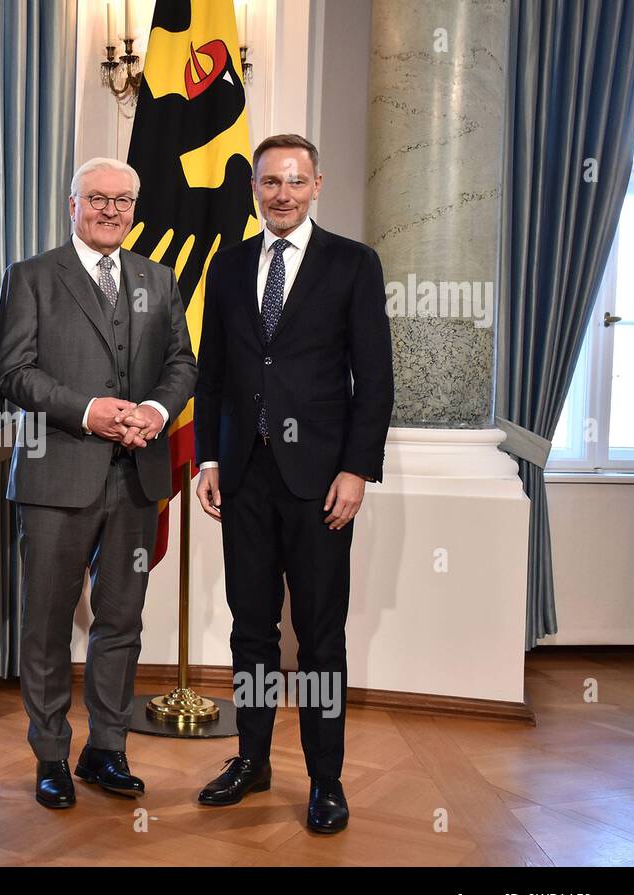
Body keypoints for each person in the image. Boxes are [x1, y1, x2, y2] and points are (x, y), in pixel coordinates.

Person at [193, 133, 394, 833]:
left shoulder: (353, 264)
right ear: (254, 188)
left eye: (295, 181)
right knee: (251, 632)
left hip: (319, 485)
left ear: (317, 185)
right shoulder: (230, 264)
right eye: (270, 181)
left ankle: (326, 779)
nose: (282, 193)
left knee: (318, 639)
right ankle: (251, 759)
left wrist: (357, 468)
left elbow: (374, 379)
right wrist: (209, 460)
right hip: (243, 476)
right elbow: (211, 373)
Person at [0, 157, 197, 809]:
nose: (111, 210)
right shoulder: (31, 277)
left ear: (135, 207)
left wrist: (155, 412)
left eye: (123, 200)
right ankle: (50, 752)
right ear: (72, 202)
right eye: (98, 198)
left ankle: (105, 747)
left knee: (121, 620)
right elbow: (14, 372)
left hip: (137, 477)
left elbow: (181, 364)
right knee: (48, 622)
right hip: (57, 474)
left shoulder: (159, 279)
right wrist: (88, 411)